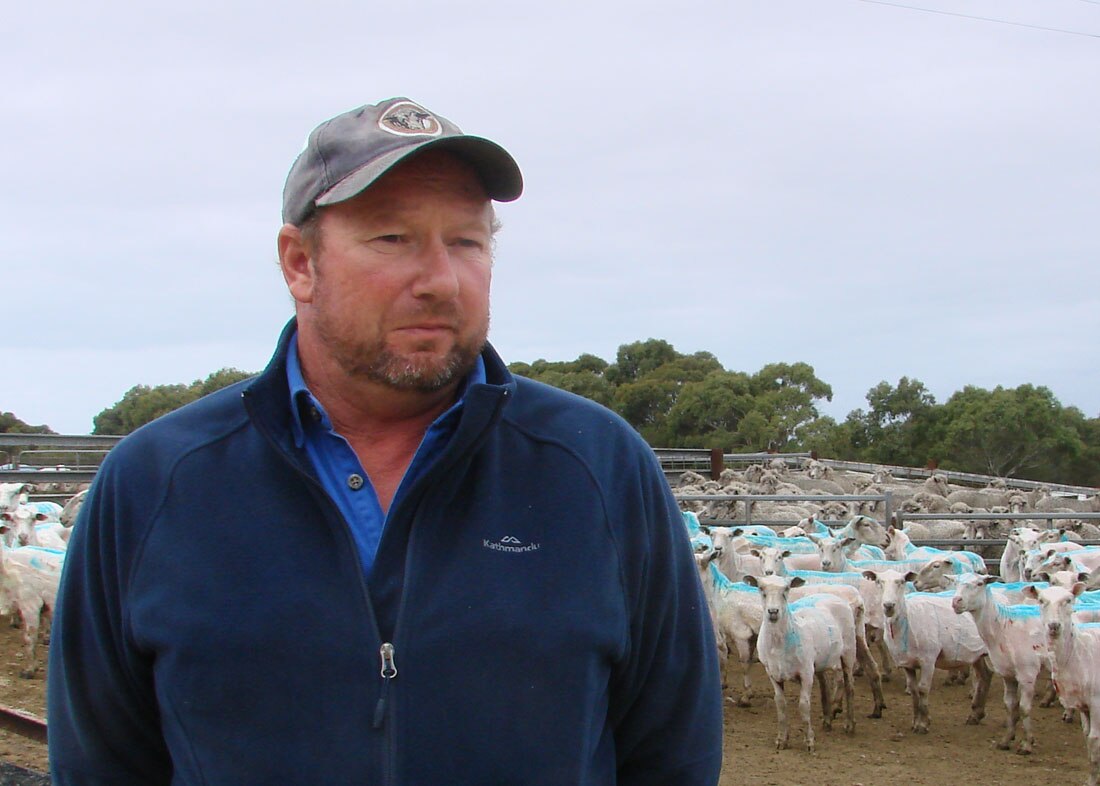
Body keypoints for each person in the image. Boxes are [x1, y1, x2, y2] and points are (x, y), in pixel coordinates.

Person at [47, 97, 723, 785]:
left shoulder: (599, 468)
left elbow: (674, 754)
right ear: (299, 263)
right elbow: (100, 763)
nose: (438, 280)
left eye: (466, 241)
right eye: (392, 239)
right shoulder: (157, 483)